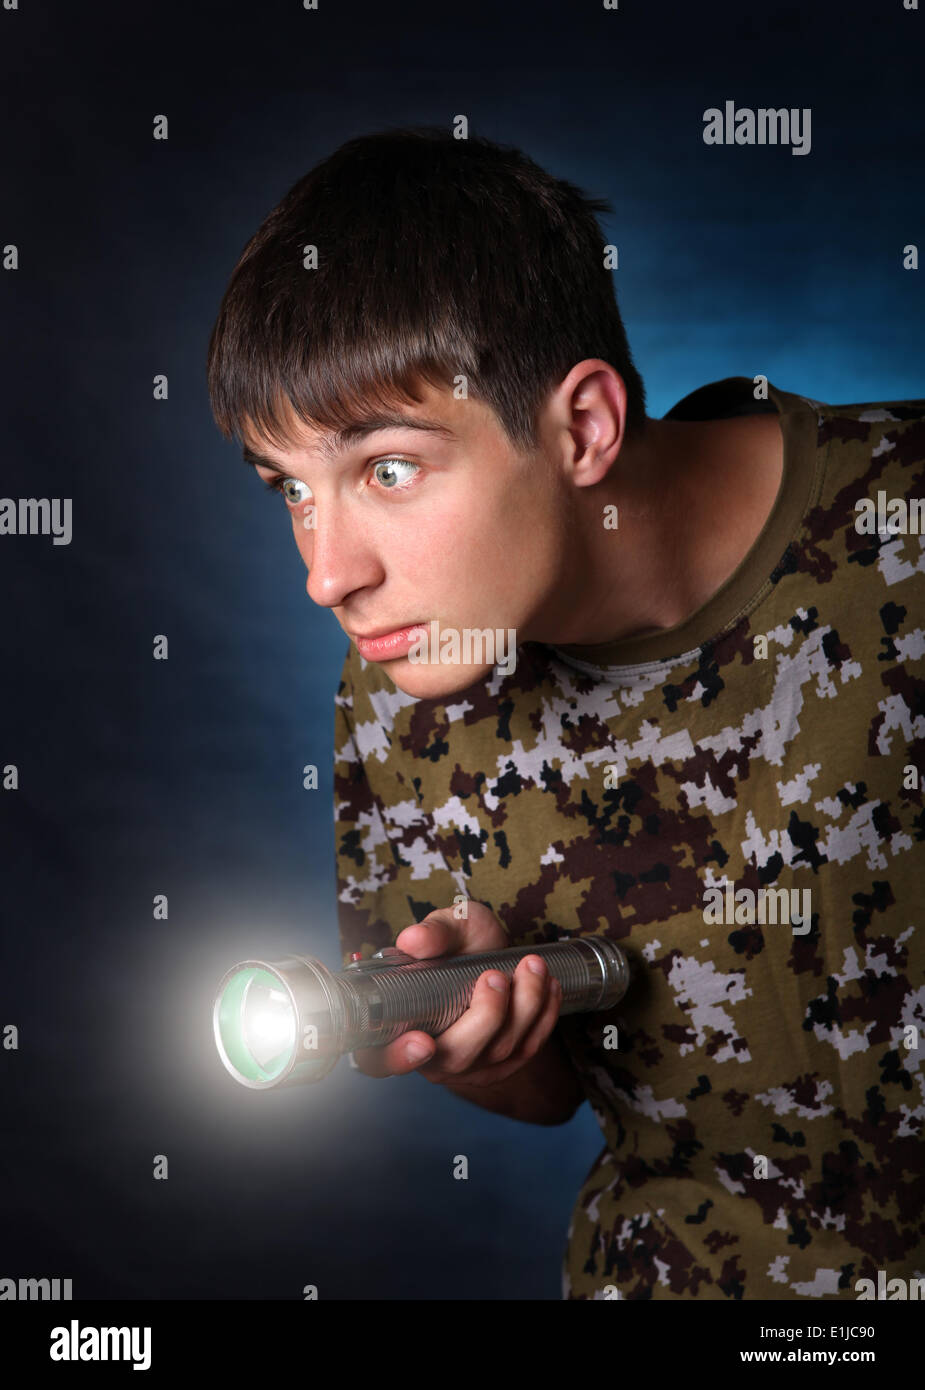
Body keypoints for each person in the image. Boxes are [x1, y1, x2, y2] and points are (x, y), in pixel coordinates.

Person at [207, 126, 925, 1300]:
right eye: (290, 489)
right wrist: (477, 1042)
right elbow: (544, 1102)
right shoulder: (399, 687)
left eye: (384, 469)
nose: (326, 573)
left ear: (582, 427)